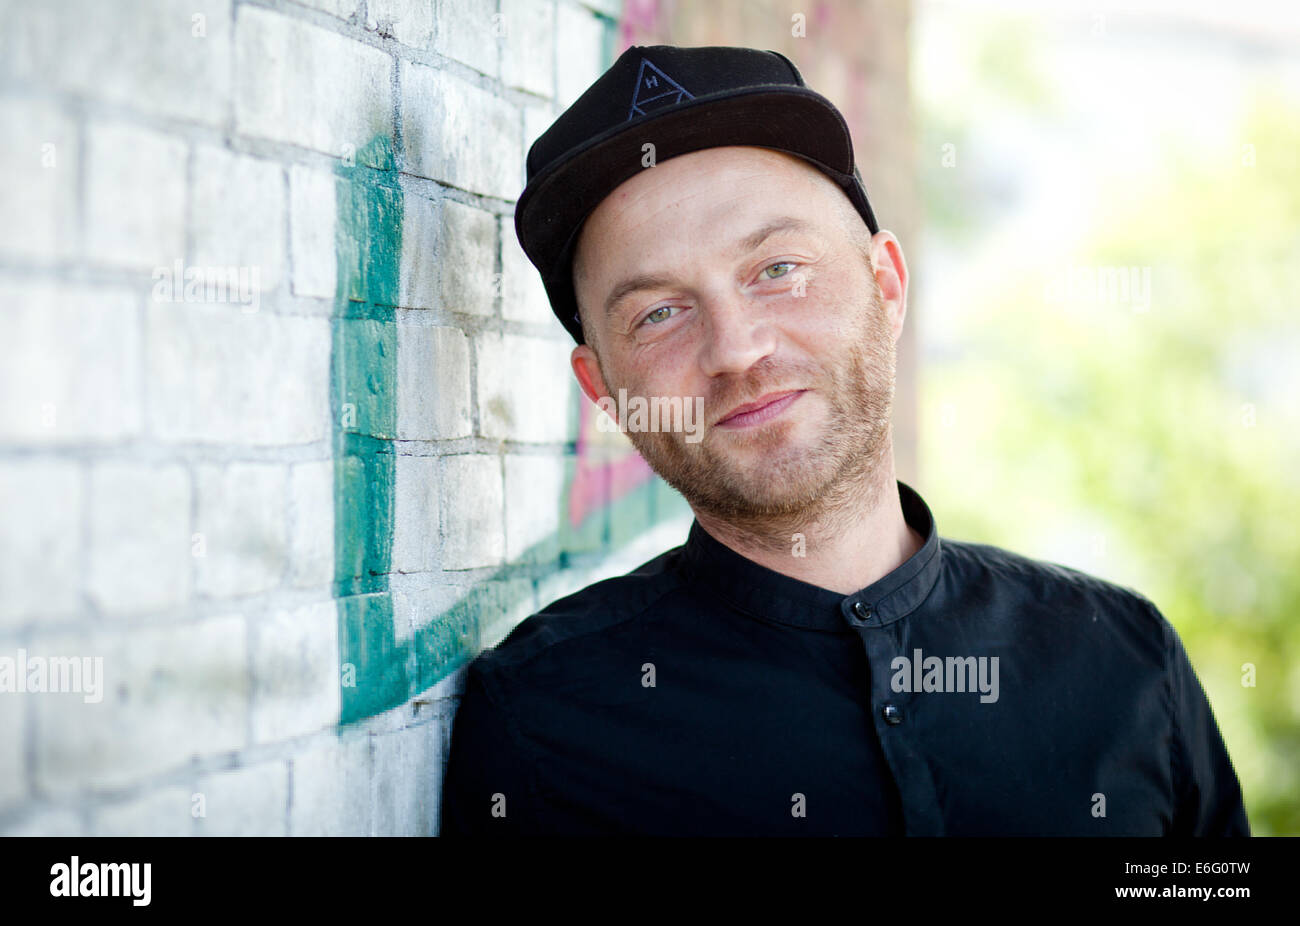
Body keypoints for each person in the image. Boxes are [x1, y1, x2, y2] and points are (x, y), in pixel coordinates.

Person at [438, 44, 1249, 836]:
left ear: (887, 288)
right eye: (659, 313)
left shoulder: (1124, 663)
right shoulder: (542, 726)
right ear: (604, 391)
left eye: (778, 268)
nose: (736, 348)